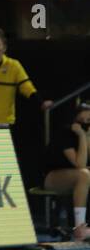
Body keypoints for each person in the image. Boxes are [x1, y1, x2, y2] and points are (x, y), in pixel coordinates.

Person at [44, 101, 90, 242]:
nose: (87, 124)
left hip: (77, 177)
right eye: (85, 121)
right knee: (84, 174)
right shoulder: (65, 133)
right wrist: (82, 136)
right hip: (52, 178)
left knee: (85, 174)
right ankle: (79, 228)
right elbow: (80, 164)